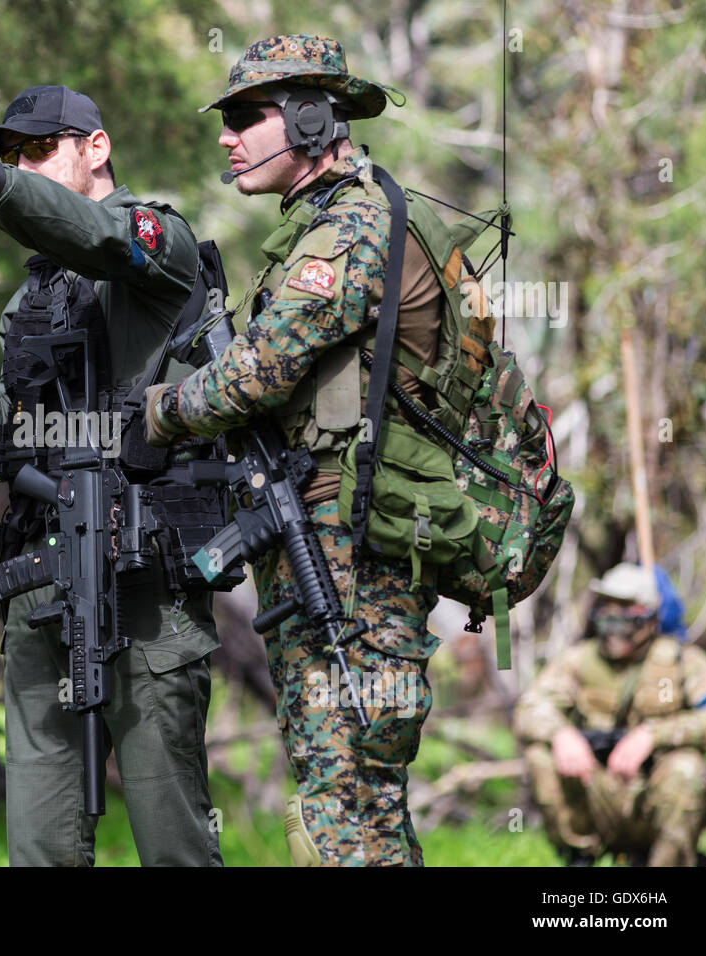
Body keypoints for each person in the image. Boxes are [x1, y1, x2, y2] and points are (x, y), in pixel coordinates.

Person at [144, 35, 472, 866]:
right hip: (341, 540)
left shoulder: (354, 228)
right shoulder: (342, 220)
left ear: (309, 118)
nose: (226, 139)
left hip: (352, 556)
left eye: (244, 119)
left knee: (340, 805)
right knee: (358, 805)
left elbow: (254, 375)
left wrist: (152, 415)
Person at [0, 85, 223, 866]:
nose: (23, 165)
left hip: (144, 586)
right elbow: (17, 442)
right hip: (45, 583)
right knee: (39, 849)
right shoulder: (34, 295)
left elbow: (98, 237)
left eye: (39, 149)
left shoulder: (158, 243)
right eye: (12, 156)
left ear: (96, 147)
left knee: (173, 841)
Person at [514, 562, 706, 866]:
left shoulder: (682, 661)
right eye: (607, 606)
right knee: (541, 757)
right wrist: (562, 734)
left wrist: (654, 736)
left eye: (624, 608)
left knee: (687, 769)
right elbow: (529, 709)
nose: (613, 619)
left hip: (654, 790)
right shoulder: (578, 660)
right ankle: (579, 855)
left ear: (648, 616)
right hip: (598, 790)